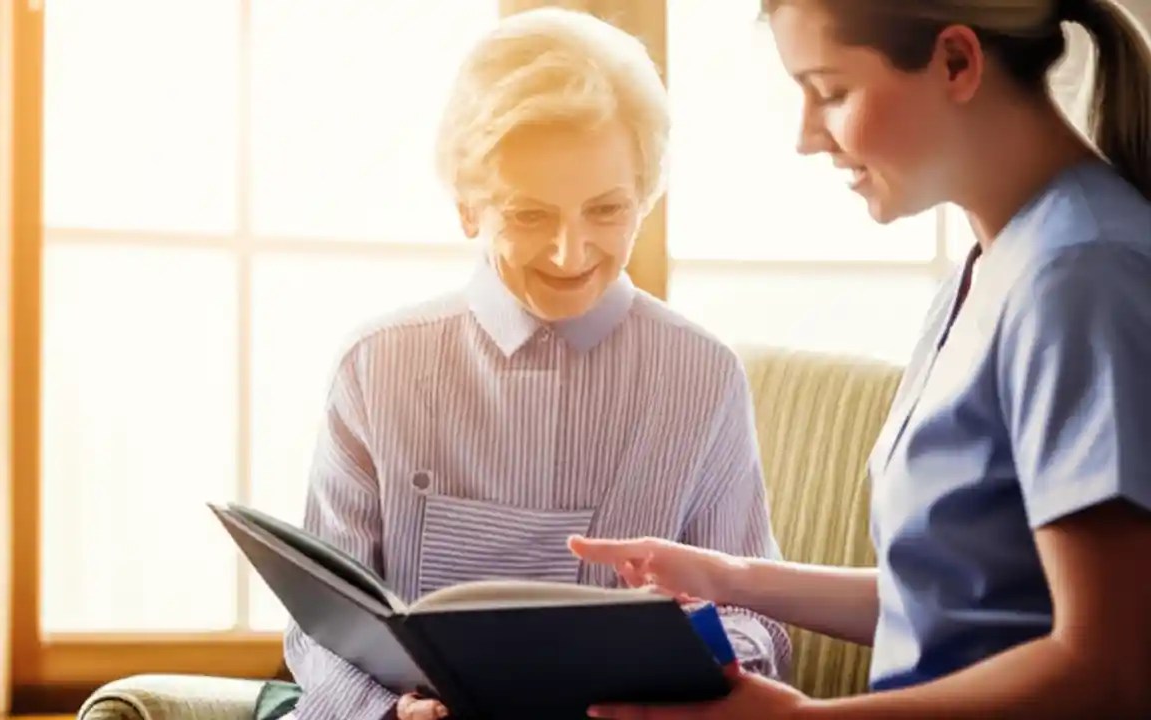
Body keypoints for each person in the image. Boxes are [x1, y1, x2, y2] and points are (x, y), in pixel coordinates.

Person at [570, 0, 1151, 718]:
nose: (808, 136)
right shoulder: (993, 263)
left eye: (833, 92)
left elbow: (1109, 672)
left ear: (957, 62)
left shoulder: (1082, 277)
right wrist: (729, 576)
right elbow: (953, 606)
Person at [283, 8, 793, 720]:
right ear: (468, 206)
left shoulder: (702, 377)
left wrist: (712, 653)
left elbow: (759, 621)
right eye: (529, 216)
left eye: (606, 210)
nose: (569, 252)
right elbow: (321, 627)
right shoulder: (377, 369)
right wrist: (386, 714)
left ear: (645, 196)